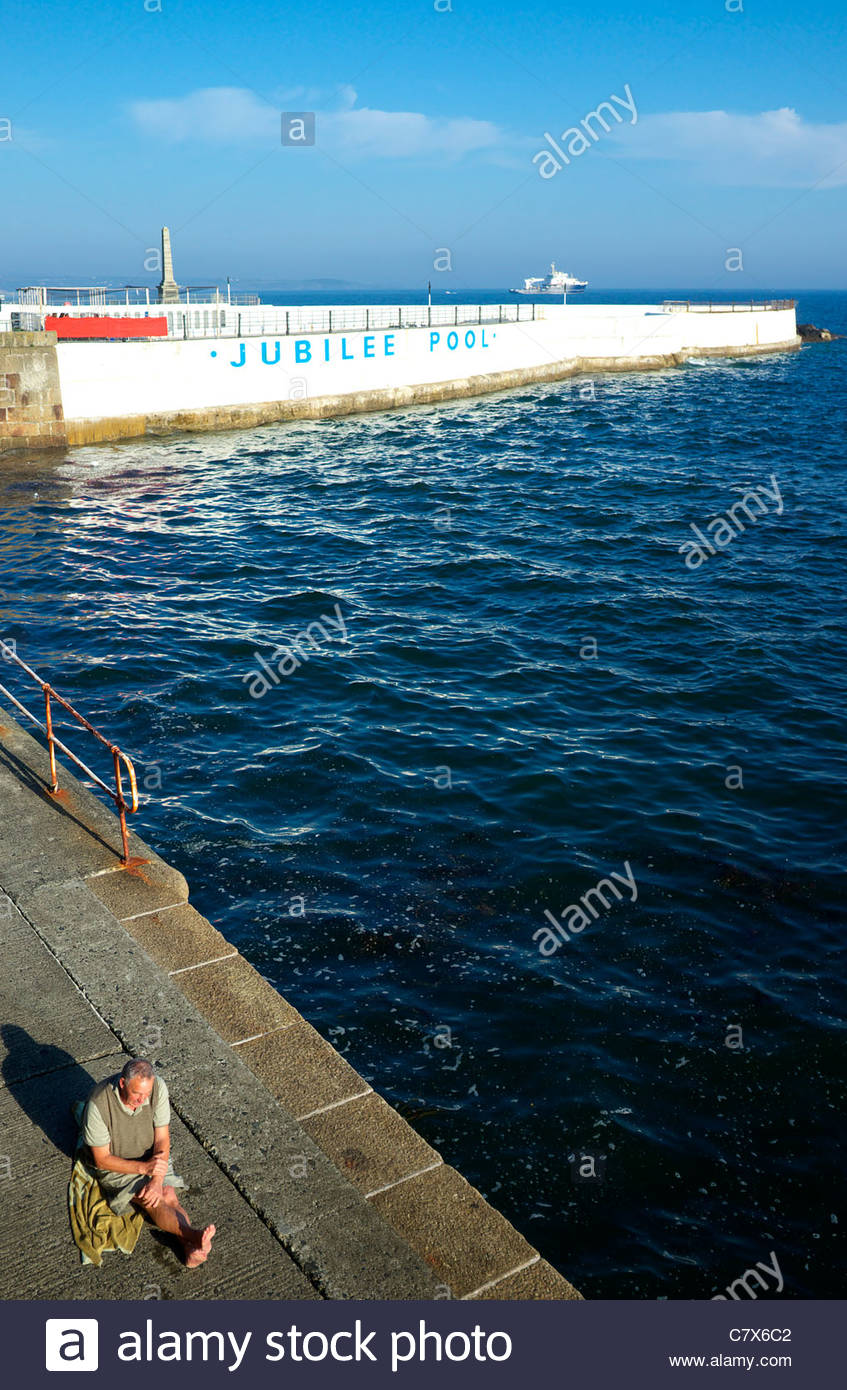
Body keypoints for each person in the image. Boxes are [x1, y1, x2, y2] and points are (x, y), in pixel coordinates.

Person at [82, 1058, 215, 1268]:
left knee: (168, 1193)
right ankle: (193, 1235)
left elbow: (162, 1139)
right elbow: (102, 1159)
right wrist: (144, 1171)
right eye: (137, 1094)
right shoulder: (97, 1105)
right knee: (153, 1200)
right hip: (118, 1165)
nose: (143, 1100)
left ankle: (190, 1249)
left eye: (146, 1094)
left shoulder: (158, 1088)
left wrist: (156, 1179)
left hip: (151, 1157)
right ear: (123, 1084)